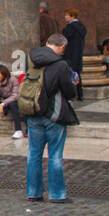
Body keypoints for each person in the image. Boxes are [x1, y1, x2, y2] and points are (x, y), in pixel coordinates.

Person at [25, 32, 79, 203]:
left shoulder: (30, 58)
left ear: (47, 43)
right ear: (62, 47)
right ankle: (57, 195)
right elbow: (69, 91)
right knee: (55, 155)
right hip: (54, 115)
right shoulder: (60, 64)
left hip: (32, 111)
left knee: (34, 154)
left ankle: (33, 192)